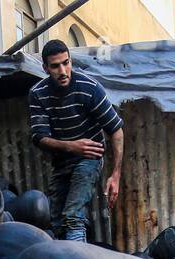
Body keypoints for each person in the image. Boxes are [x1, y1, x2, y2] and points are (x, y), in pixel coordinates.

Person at [27, 39, 123, 242]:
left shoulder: (90, 88)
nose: (62, 71)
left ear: (71, 61)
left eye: (66, 62)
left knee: (72, 216)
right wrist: (71, 146)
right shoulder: (38, 94)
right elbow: (39, 137)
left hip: (90, 157)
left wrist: (115, 175)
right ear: (45, 68)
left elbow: (116, 130)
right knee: (57, 223)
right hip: (62, 161)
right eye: (55, 66)